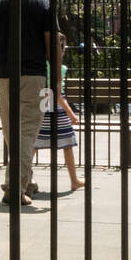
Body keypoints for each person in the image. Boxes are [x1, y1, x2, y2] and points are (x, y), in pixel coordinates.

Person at [0, 0, 57, 206]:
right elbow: (51, 45)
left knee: (11, 130)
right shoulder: (43, 3)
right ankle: (14, 188)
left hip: (5, 74)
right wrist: (57, 81)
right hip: (35, 75)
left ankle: (24, 180)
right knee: (28, 131)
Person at [35, 34, 85, 192]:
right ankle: (74, 180)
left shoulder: (40, 65)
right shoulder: (61, 68)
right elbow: (56, 94)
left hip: (41, 105)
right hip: (55, 108)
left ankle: (22, 178)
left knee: (34, 143)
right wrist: (70, 113)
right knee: (67, 143)